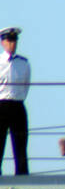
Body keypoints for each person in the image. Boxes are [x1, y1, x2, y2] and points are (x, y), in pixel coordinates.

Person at [0, 27, 31, 175]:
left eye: (14, 41)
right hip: (2, 104)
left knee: (20, 144)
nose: (12, 44)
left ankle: (22, 176)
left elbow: (26, 86)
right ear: (3, 42)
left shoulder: (23, 63)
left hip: (17, 105)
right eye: (9, 40)